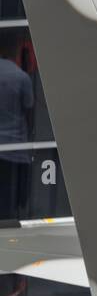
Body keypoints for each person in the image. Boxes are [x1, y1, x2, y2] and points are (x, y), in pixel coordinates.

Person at [0, 54, 34, 220]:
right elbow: (29, 112)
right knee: (11, 209)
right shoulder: (20, 76)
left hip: (12, 151)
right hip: (15, 151)